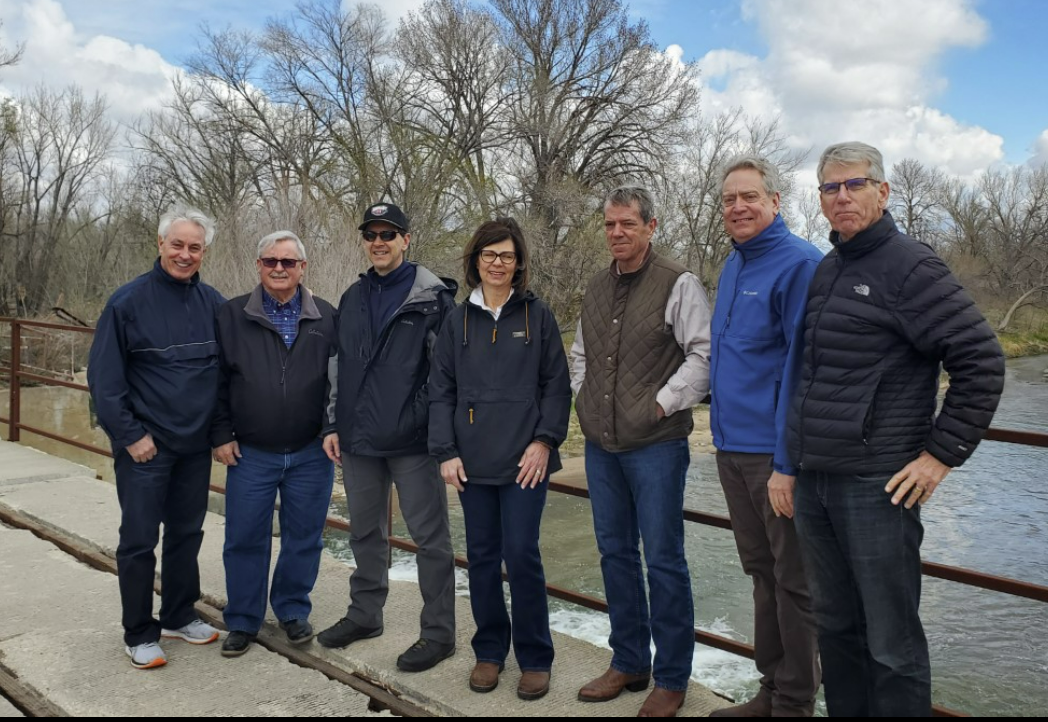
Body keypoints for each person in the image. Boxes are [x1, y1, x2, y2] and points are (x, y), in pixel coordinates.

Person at [789, 142, 1006, 717]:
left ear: (883, 192)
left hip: (877, 486)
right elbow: (814, 374)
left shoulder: (911, 266)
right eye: (830, 188)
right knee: (835, 629)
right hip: (817, 480)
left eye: (854, 184)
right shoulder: (829, 268)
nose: (842, 197)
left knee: (892, 644)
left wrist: (939, 455)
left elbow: (981, 360)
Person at [570, 186, 712, 717]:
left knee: (665, 561)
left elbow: (703, 355)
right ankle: (629, 660)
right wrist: (583, 400)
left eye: (627, 224)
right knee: (614, 554)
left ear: (651, 227)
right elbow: (581, 352)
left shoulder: (679, 282)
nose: (617, 233)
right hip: (602, 446)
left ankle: (673, 677)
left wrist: (661, 404)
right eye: (609, 224)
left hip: (656, 445)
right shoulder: (594, 286)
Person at [429, 218, 572, 701]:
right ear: (475, 261)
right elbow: (441, 391)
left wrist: (545, 441)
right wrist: (445, 452)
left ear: (519, 263)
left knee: (523, 556)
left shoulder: (539, 316)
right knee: (483, 560)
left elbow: (557, 385)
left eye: (507, 256)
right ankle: (490, 651)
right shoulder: (456, 320)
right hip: (472, 463)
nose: (497, 264)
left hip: (525, 462)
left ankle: (535, 658)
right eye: (489, 255)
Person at [318, 202, 459, 673]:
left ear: (406, 239)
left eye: (389, 233)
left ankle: (438, 633)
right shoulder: (353, 297)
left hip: (413, 442)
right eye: (371, 234)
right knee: (365, 532)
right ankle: (365, 616)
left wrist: (438, 437)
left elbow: (446, 376)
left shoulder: (433, 299)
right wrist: (334, 423)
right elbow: (338, 366)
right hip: (359, 440)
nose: (379, 241)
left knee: (431, 540)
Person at [708, 156, 823, 717]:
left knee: (794, 584)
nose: (737, 207)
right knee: (761, 575)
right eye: (729, 199)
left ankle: (796, 704)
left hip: (772, 460)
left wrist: (787, 463)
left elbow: (805, 371)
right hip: (731, 451)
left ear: (775, 201)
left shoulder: (800, 264)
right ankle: (771, 690)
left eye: (749, 197)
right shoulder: (733, 265)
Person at [88, 205, 225, 670]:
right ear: (160, 244)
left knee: (187, 533)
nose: (185, 255)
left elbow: (223, 377)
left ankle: (179, 615)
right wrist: (130, 436)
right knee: (139, 540)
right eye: (177, 244)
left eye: (194, 247)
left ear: (203, 252)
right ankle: (139, 632)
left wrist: (218, 432)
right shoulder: (127, 303)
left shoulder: (213, 305)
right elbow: (104, 381)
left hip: (194, 446)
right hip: (146, 448)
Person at [211, 231, 337, 657]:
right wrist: (220, 433)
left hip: (310, 452)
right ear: (258, 265)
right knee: (244, 537)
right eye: (270, 261)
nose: (279, 268)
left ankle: (291, 609)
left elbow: (340, 384)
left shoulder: (327, 317)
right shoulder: (230, 315)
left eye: (288, 262)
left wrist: (332, 428)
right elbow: (216, 382)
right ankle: (244, 620)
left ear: (303, 268)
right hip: (250, 452)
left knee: (304, 537)